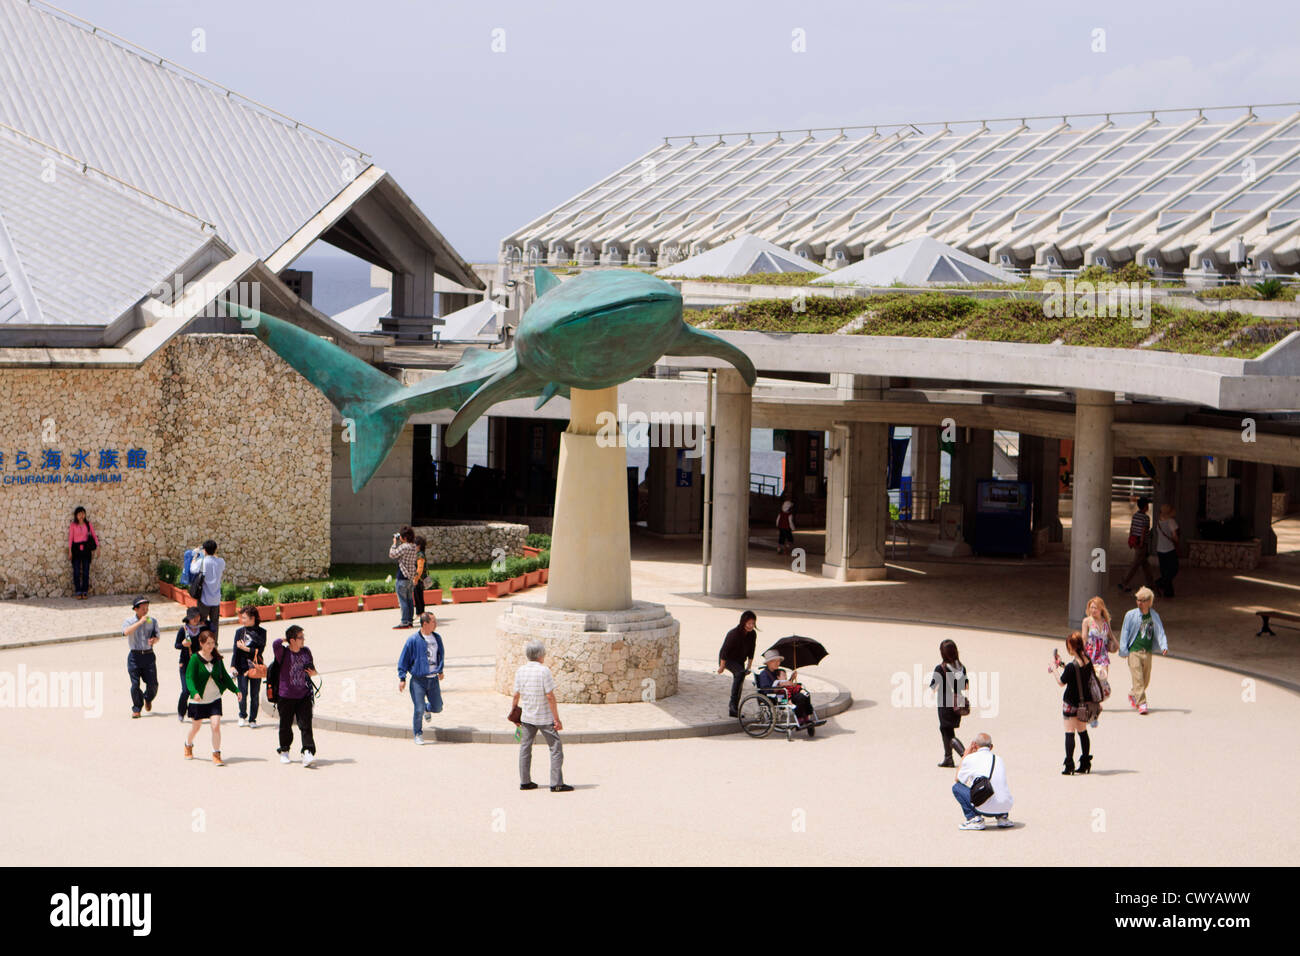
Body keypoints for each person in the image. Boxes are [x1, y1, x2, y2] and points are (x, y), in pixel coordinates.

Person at [512, 640, 572, 792]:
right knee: (555, 748)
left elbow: (516, 695)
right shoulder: (544, 671)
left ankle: (525, 782)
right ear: (540, 655)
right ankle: (556, 783)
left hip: (527, 717)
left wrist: (514, 714)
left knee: (525, 748)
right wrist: (556, 719)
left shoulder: (520, 671)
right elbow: (550, 696)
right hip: (544, 718)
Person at [183, 629, 242, 766]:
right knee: (196, 727)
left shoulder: (217, 659)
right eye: (208, 643)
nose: (211, 646)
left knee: (215, 726)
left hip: (214, 698)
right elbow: (189, 678)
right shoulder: (195, 659)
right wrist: (194, 692)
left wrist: (236, 690)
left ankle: (216, 753)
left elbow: (226, 678)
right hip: (198, 700)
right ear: (201, 643)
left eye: (213, 643)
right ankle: (188, 744)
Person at [1052, 631, 1100, 774]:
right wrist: (1062, 664)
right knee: (1082, 731)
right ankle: (1085, 762)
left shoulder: (1071, 666)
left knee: (1069, 732)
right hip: (1083, 703)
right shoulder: (1087, 660)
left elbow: (1062, 681)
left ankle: (1069, 764)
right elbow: (1076, 674)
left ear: (1071, 647)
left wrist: (1054, 668)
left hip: (1070, 702)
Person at [1118, 587, 1168, 715]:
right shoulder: (1130, 615)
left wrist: (1163, 646)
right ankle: (1142, 704)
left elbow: (1160, 631)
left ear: (1150, 601)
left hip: (1148, 651)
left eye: (1143, 600)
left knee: (1145, 679)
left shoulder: (1154, 615)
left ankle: (1133, 693)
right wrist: (1123, 650)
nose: (1139, 602)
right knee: (1138, 678)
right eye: (1137, 600)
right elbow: (1125, 632)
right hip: (1134, 651)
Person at [272, 625, 318, 766]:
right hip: (286, 695)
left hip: (303, 694)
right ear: (292, 640)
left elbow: (313, 669)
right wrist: (286, 638)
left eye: (303, 637)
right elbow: (275, 643)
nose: (303, 640)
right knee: (285, 725)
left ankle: (307, 752)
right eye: (300, 637)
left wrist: (313, 673)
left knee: (306, 725)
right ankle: (285, 750)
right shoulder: (283, 653)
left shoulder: (306, 652)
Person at [397, 611, 444, 745]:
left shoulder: (437, 638)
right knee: (418, 708)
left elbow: (440, 655)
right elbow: (403, 660)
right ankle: (418, 733)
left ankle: (426, 709)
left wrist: (440, 670)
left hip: (433, 680)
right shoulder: (413, 640)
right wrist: (402, 678)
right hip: (418, 681)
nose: (436, 624)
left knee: (438, 707)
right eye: (433, 622)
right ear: (425, 624)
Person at [953, 733, 1014, 830]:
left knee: (956, 788)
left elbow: (958, 779)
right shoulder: (999, 759)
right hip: (1005, 806)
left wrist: (965, 755)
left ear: (974, 745)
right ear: (991, 747)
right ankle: (1003, 818)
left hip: (984, 808)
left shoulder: (970, 758)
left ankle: (974, 819)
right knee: (997, 784)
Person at [755, 648, 816, 734]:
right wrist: (780, 686)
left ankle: (806, 718)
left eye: (778, 661)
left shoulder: (778, 672)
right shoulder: (764, 674)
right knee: (799, 698)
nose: (778, 663)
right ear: (768, 662)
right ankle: (801, 720)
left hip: (784, 693)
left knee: (805, 695)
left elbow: (784, 683)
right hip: (775, 698)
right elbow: (766, 690)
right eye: (775, 661)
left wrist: (791, 679)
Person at [929, 639, 967, 767]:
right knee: (946, 729)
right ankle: (948, 758)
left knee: (946, 730)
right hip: (958, 703)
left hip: (945, 704)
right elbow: (965, 686)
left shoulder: (940, 668)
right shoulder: (961, 668)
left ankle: (965, 756)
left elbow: (934, 687)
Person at [1081, 595, 1116, 728]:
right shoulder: (1087, 622)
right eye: (1091, 607)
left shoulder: (1105, 621)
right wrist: (1081, 653)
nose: (1093, 610)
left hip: (1102, 654)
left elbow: (1111, 635)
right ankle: (1094, 705)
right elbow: (1084, 637)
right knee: (1091, 679)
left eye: (1095, 607)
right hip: (1091, 654)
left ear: (1101, 608)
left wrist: (1117, 645)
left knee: (1103, 679)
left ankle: (1097, 699)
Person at [122, 596, 160, 718]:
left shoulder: (152, 621)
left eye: (147, 608)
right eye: (143, 608)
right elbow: (125, 632)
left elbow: (157, 636)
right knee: (135, 684)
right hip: (134, 656)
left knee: (153, 683)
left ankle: (147, 698)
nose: (145, 611)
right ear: (136, 609)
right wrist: (140, 622)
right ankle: (137, 708)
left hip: (148, 655)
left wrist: (154, 640)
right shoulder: (129, 621)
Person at [231, 606, 267, 728]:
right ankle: (242, 715)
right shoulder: (239, 632)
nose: (242, 620)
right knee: (242, 692)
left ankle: (253, 719)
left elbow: (260, 650)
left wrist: (245, 648)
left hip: (255, 667)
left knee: (255, 694)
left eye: (244, 618)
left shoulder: (262, 632)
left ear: (253, 618)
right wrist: (232, 666)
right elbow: (235, 651)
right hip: (241, 667)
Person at [717, 610, 757, 718]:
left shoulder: (752, 634)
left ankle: (734, 708)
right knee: (739, 673)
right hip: (727, 659)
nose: (751, 626)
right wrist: (721, 667)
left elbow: (751, 651)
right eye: (749, 623)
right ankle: (732, 706)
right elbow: (725, 651)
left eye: (753, 623)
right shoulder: (733, 634)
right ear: (743, 622)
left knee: (740, 679)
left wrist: (748, 667)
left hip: (739, 661)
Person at [188, 540, 226, 638]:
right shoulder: (221, 562)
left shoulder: (202, 562)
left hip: (204, 598)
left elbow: (192, 569)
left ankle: (203, 643)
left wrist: (195, 557)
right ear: (215, 550)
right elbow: (216, 558)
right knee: (215, 623)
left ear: (204, 550)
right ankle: (214, 644)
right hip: (216, 598)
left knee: (202, 622)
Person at [1117, 497, 1155, 592]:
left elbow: (1132, 528)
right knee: (1135, 564)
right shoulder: (1146, 518)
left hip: (1135, 541)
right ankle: (1123, 583)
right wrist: (1142, 542)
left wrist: (1130, 540)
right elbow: (1143, 531)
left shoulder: (1135, 516)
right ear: (1146, 506)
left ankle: (1151, 583)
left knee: (1145, 563)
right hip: (1141, 543)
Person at [174, 606, 204, 722]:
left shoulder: (202, 629)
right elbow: (176, 645)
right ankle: (181, 711)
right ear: (188, 619)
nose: (196, 619)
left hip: (198, 663)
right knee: (186, 690)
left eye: (197, 617)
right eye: (193, 618)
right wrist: (183, 645)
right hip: (185, 663)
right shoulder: (184, 630)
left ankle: (194, 713)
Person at [389, 526, 419, 630]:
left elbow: (392, 554)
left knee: (402, 601)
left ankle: (404, 622)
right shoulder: (414, 546)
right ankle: (410, 621)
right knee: (410, 600)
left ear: (405, 537)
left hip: (402, 577)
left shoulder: (404, 547)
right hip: (410, 577)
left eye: (401, 536)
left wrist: (394, 543)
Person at [67, 506, 98, 599]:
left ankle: (84, 591)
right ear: (76, 515)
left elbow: (94, 535)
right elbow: (70, 538)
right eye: (79, 514)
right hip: (76, 549)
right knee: (76, 571)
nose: (81, 515)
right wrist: (70, 551)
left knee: (86, 571)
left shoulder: (88, 524)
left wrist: (98, 547)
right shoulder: (73, 525)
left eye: (83, 513)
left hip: (86, 549)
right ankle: (78, 591)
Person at [1153, 503, 1181, 598]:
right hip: (1170, 549)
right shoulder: (1171, 521)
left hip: (1160, 549)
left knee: (1164, 571)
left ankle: (1168, 592)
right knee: (1174, 569)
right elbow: (1175, 537)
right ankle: (1159, 583)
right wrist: (1177, 541)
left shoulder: (1159, 522)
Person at [412, 535, 429, 618]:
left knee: (418, 597)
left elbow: (420, 568)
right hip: (420, 579)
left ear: (418, 545)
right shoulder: (420, 554)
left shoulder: (420, 555)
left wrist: (415, 579)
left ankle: (420, 613)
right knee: (419, 596)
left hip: (419, 579)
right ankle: (421, 613)